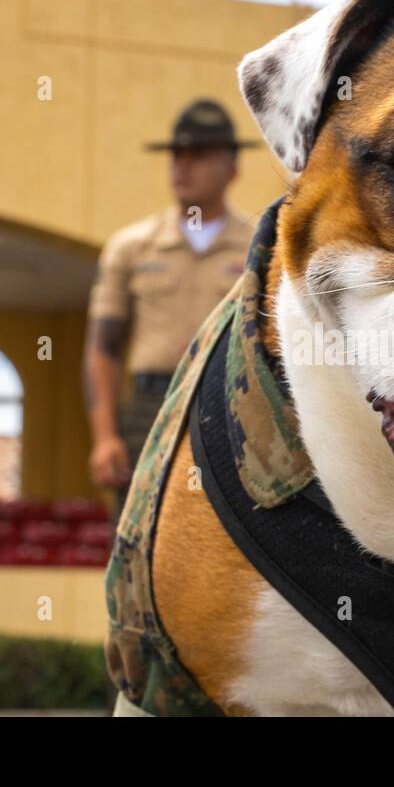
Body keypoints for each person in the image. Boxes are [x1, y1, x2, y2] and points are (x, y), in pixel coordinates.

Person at [84, 99, 257, 514]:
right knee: (138, 537)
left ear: (232, 169)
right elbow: (102, 348)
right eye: (176, 155)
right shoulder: (132, 246)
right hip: (149, 408)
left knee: (229, 535)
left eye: (199, 155)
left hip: (232, 408)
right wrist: (105, 436)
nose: (182, 166)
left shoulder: (260, 246)